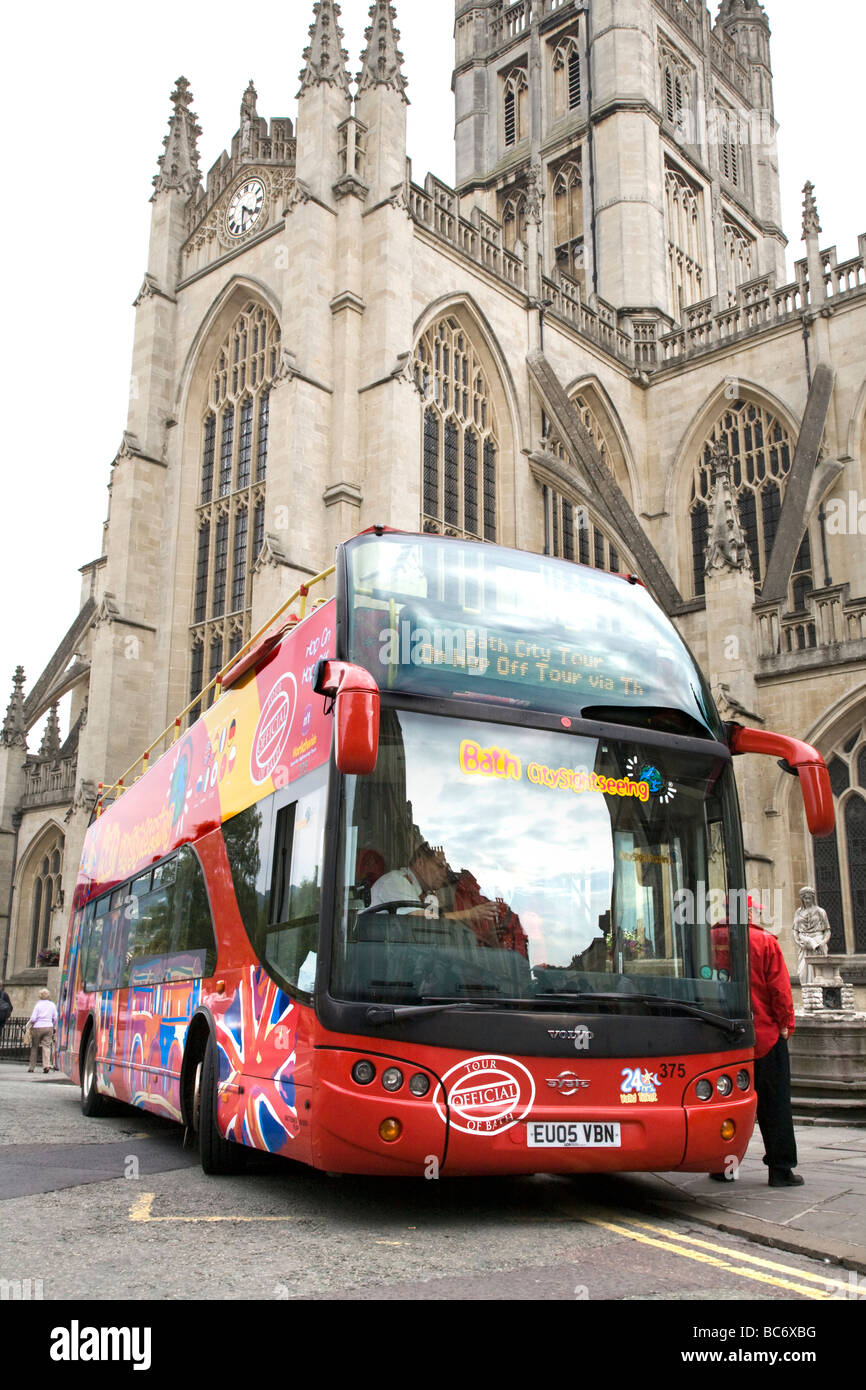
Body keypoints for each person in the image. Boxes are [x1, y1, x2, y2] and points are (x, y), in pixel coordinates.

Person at [711, 900, 801, 1187]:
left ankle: (723, 1167)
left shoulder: (710, 939)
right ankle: (780, 1169)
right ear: (748, 913)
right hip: (764, 1036)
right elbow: (779, 990)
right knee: (775, 1105)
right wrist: (787, 1023)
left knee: (724, 1104)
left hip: (723, 1038)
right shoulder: (764, 941)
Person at [370, 841, 499, 935]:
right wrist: (470, 913)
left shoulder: (427, 896)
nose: (444, 873)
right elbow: (423, 923)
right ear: (420, 863)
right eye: (439, 866)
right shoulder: (396, 881)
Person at [791, 885, 831, 984]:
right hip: (804, 944)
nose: (807, 900)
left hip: (818, 940)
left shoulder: (820, 912)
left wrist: (823, 942)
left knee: (819, 974)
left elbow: (827, 930)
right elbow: (795, 930)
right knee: (803, 973)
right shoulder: (798, 912)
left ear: (813, 898)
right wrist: (798, 942)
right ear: (802, 899)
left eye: (809, 898)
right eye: (805, 898)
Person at [27, 988, 57, 1074]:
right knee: (46, 1046)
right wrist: (54, 1026)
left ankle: (31, 1067)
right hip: (48, 1026)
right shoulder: (52, 1005)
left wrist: (30, 1024)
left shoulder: (38, 1005)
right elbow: (55, 1017)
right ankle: (46, 1065)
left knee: (34, 1047)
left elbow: (33, 1018)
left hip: (38, 1027)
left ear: (40, 996)